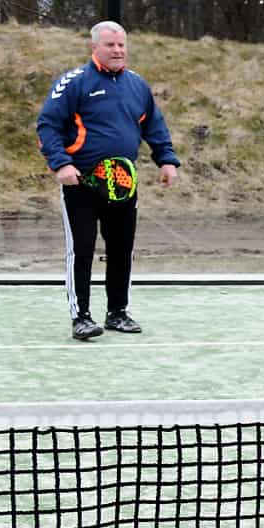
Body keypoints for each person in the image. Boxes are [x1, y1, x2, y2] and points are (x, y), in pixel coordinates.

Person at [36, 21, 179, 341]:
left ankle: (117, 312)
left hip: (123, 182)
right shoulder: (74, 83)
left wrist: (166, 159)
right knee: (82, 250)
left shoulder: (137, 85)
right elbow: (47, 126)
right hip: (81, 185)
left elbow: (154, 126)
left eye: (121, 45)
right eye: (110, 45)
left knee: (121, 248)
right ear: (94, 48)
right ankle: (81, 317)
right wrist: (61, 165)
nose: (117, 50)